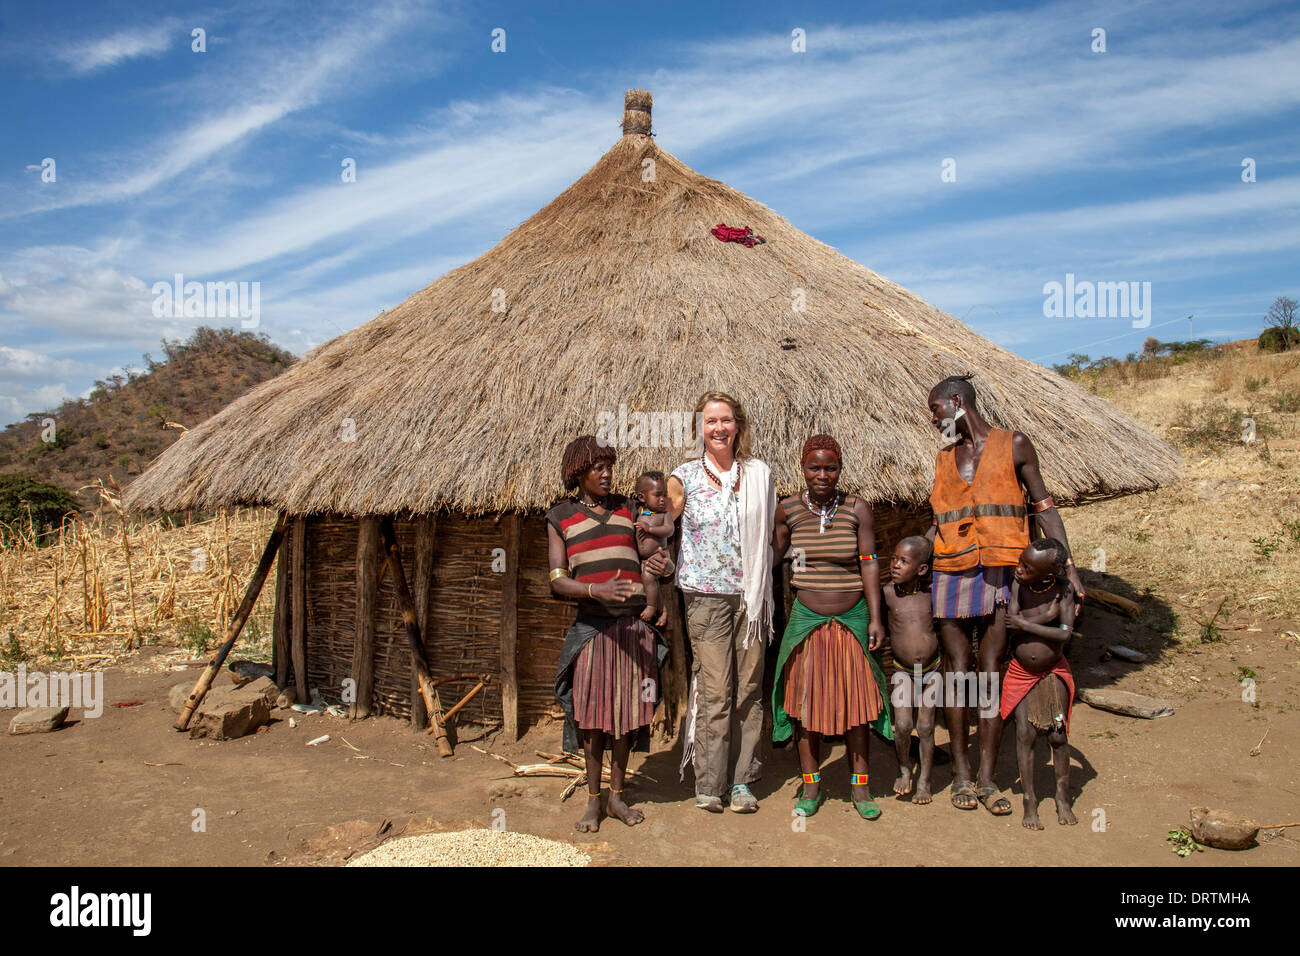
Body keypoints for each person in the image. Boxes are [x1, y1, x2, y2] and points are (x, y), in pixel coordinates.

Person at [925, 374, 1086, 815]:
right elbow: (938, 522)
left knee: (992, 669)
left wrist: (1068, 567)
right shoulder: (943, 460)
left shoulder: (1014, 444)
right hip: (952, 569)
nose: (933, 419)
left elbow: (1045, 508)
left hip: (1004, 570)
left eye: (935, 409)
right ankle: (960, 776)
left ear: (956, 402)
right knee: (958, 672)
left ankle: (987, 778)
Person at [549, 436, 672, 832]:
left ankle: (617, 797)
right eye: (597, 468)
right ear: (578, 473)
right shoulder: (560, 517)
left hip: (633, 629)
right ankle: (593, 800)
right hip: (592, 630)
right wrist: (595, 590)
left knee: (626, 716)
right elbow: (556, 580)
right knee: (591, 719)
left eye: (609, 467)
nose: (606, 474)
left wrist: (660, 565)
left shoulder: (628, 507)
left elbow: (652, 553)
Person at [771, 435, 893, 820]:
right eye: (814, 467)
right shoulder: (787, 509)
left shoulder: (857, 508)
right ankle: (811, 787)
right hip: (807, 621)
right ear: (802, 468)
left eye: (830, 468)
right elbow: (773, 556)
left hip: (851, 619)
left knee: (856, 705)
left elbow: (869, 563)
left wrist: (875, 617)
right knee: (806, 705)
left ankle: (861, 787)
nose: (822, 475)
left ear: (840, 469)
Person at [666, 392, 776, 813]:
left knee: (748, 689)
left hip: (751, 600)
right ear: (700, 428)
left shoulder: (760, 475)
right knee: (716, 690)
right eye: (710, 421)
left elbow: (771, 534)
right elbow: (661, 524)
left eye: (726, 420)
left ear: (738, 424)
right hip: (706, 600)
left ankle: (743, 782)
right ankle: (710, 784)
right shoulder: (685, 476)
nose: (718, 429)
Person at [1002, 538, 1078, 830]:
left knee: (1058, 735)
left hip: (1052, 671)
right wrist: (1046, 617)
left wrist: (1027, 624)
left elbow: (1064, 636)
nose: (1019, 570)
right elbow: (1011, 619)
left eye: (1027, 567)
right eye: (1020, 562)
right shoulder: (1019, 584)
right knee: (1025, 733)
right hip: (1022, 671)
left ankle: (1062, 797)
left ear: (1048, 575)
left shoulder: (1064, 590)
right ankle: (1029, 801)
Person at [883, 536, 940, 805]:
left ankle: (924, 782)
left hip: (932, 671)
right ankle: (905, 768)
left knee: (926, 728)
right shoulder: (887, 594)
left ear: (922, 569)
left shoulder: (932, 595)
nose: (895, 565)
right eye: (894, 558)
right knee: (903, 726)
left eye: (903, 561)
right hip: (902, 670)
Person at [631, 471, 674, 627]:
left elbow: (669, 530)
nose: (662, 499)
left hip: (659, 554)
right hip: (645, 559)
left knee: (649, 577)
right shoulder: (644, 512)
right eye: (658, 495)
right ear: (642, 497)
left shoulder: (664, 515)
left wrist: (649, 529)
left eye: (665, 495)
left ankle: (651, 607)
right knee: (652, 583)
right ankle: (661, 611)